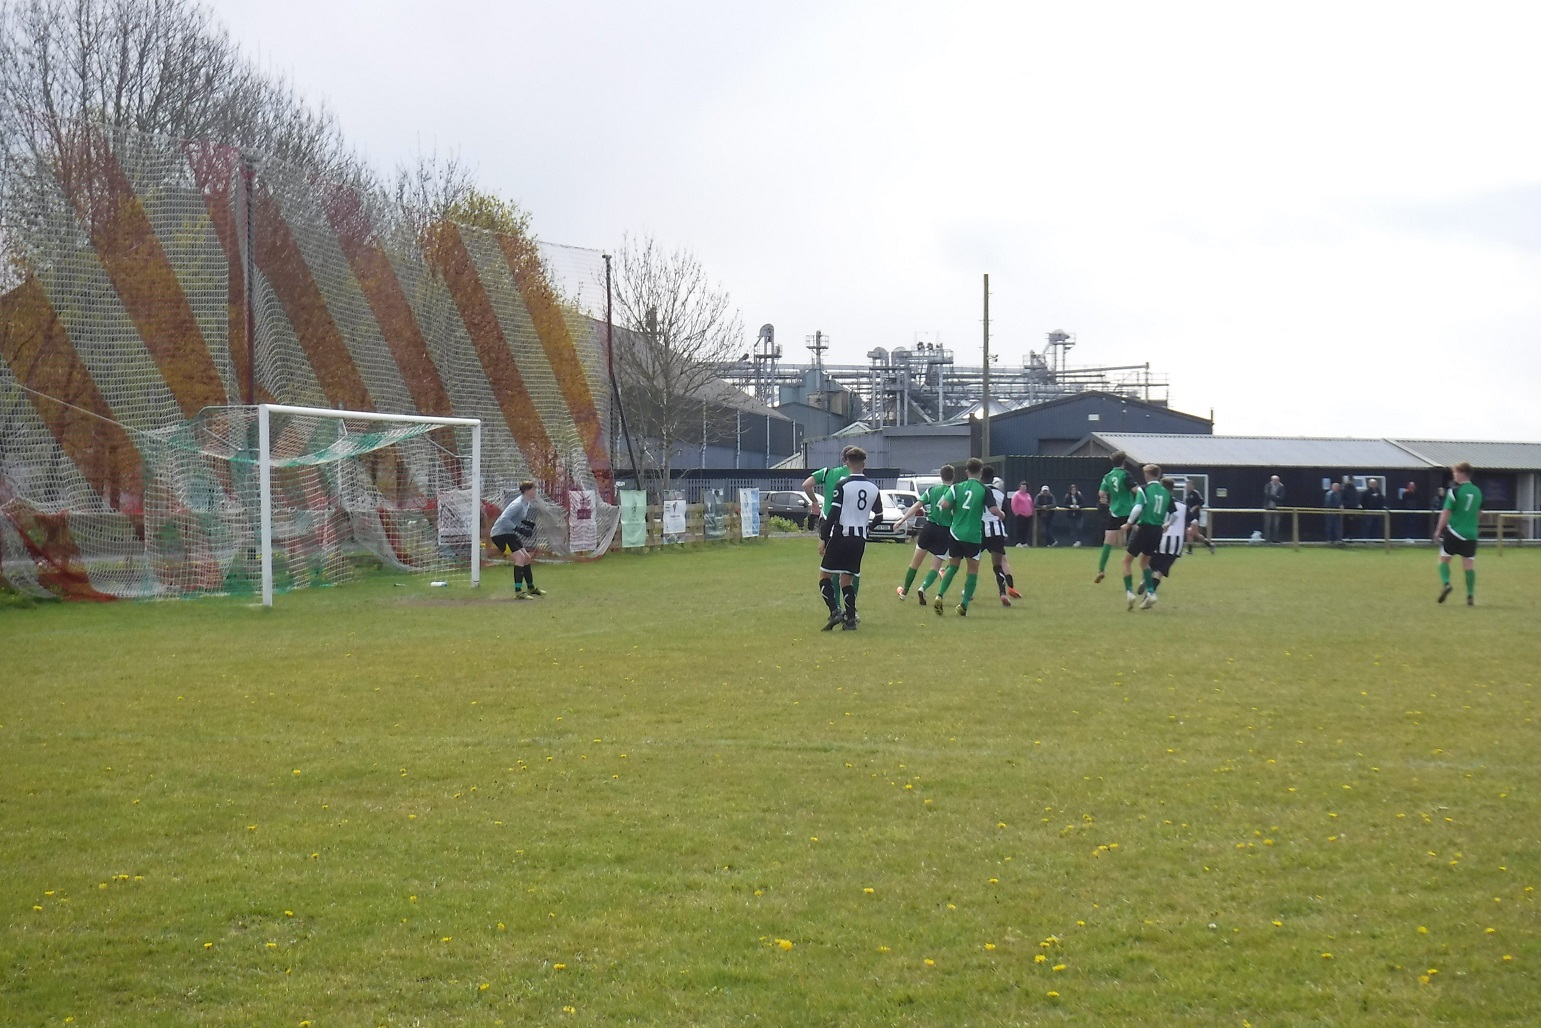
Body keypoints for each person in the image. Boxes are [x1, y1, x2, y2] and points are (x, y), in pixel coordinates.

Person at [817, 447, 883, 631]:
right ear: (864, 464)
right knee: (847, 580)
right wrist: (867, 528)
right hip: (859, 539)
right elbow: (879, 516)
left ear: (847, 462)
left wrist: (823, 537)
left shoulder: (843, 485)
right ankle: (851, 619)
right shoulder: (873, 488)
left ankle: (835, 611)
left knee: (824, 576)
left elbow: (833, 514)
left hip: (841, 535)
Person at [932, 457, 1003, 617]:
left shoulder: (957, 487)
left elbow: (944, 505)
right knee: (972, 569)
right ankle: (963, 604)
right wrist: (1002, 514)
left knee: (953, 566)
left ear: (966, 472)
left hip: (956, 532)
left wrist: (954, 510)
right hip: (973, 535)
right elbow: (993, 510)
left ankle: (939, 595)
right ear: (981, 472)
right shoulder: (984, 489)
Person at [804, 447, 855, 615]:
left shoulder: (827, 473)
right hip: (851, 525)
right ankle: (851, 611)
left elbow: (807, 484)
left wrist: (814, 502)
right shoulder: (858, 476)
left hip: (830, 524)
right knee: (851, 571)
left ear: (843, 459)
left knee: (829, 570)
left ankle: (836, 607)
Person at [896, 464, 956, 604]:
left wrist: (902, 520)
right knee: (935, 566)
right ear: (953, 477)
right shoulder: (955, 492)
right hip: (944, 531)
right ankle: (923, 587)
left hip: (929, 528)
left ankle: (904, 591)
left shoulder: (933, 490)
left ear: (941, 476)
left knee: (915, 563)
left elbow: (917, 505)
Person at [1433, 461, 1483, 606]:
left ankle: (1446, 584)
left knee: (1443, 560)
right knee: (1468, 566)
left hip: (1455, 532)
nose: (1454, 475)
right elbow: (1479, 512)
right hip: (1471, 533)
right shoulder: (1478, 491)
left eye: (1455, 473)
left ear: (1462, 473)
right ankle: (1470, 595)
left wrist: (1438, 530)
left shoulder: (1454, 491)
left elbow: (1446, 512)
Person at [1121, 464, 1166, 610]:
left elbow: (1138, 508)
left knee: (1126, 562)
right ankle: (1151, 594)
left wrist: (1128, 524)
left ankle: (1130, 593)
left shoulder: (1144, 489)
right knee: (1145, 563)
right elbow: (1172, 513)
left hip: (1144, 528)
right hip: (1158, 530)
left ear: (1148, 475)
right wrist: (1166, 524)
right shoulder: (1165, 492)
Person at [489, 480, 543, 599]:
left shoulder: (526, 503)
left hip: (509, 533)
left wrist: (527, 523)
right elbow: (504, 519)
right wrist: (519, 529)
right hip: (499, 535)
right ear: (527, 491)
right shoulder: (517, 504)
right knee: (520, 558)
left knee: (527, 558)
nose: (535, 492)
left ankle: (531, 588)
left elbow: (518, 517)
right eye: (534, 489)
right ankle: (518, 592)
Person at [1140, 477, 1186, 609]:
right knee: (1160, 572)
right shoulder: (1183, 506)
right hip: (1176, 544)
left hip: (1160, 540)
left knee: (1148, 565)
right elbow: (1192, 523)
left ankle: (1145, 580)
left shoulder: (1159, 502)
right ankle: (1148, 597)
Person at [1095, 451, 1138, 583]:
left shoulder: (1108, 476)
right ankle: (1151, 566)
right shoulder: (1125, 475)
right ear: (1124, 462)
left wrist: (1106, 498)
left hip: (1114, 512)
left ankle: (1101, 570)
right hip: (1129, 511)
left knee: (1108, 541)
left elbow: (1101, 493)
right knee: (1144, 535)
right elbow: (1136, 490)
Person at [980, 465, 1020, 606]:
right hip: (997, 531)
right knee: (999, 564)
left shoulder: (978, 491)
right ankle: (1004, 592)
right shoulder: (1000, 494)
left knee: (971, 562)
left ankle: (968, 592)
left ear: (981, 476)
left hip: (979, 531)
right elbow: (1006, 514)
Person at [1183, 481, 1215, 554]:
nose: (1187, 487)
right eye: (1187, 485)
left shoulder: (1195, 493)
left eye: (1189, 485)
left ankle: (1190, 551)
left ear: (1192, 486)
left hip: (1195, 516)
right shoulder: (1187, 495)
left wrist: (1195, 507)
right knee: (1194, 533)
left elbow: (1201, 502)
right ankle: (1210, 545)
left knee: (1190, 532)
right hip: (1189, 517)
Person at [1263, 475, 1286, 543]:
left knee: (1276, 524)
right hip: (1268, 507)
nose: (1275, 481)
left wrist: (1272, 497)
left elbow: (1282, 498)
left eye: (1276, 480)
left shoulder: (1282, 487)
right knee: (1267, 524)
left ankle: (1275, 539)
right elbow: (1267, 495)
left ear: (1278, 480)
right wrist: (1276, 497)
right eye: (1274, 480)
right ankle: (1267, 539)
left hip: (1277, 508)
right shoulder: (1267, 486)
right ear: (1271, 480)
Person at [1011, 481, 1034, 547]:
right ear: (1019, 487)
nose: (1023, 488)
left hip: (1028, 515)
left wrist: (1031, 511)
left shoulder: (1028, 495)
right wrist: (1016, 512)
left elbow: (1031, 504)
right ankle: (1019, 542)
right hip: (1020, 514)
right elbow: (1013, 504)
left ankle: (1024, 542)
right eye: (1022, 487)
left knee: (1026, 529)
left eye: (1025, 487)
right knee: (1020, 529)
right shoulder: (1016, 494)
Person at [1340, 476, 1360, 542]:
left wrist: (1356, 505)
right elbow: (1342, 499)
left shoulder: (1354, 489)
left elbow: (1357, 499)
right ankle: (1344, 537)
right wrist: (1345, 505)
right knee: (1346, 523)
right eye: (1350, 480)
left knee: (1352, 524)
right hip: (1346, 509)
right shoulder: (1344, 489)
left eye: (1352, 481)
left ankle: (1351, 537)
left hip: (1353, 509)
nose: (1351, 482)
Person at [1324, 481, 1344, 545]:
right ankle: (1329, 539)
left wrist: (1341, 506)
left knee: (1336, 526)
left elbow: (1339, 502)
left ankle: (1337, 539)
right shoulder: (1330, 494)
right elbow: (1328, 503)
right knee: (1330, 526)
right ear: (1333, 487)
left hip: (1336, 513)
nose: (1338, 488)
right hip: (1330, 512)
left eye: (1338, 487)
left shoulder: (1338, 494)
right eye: (1336, 487)